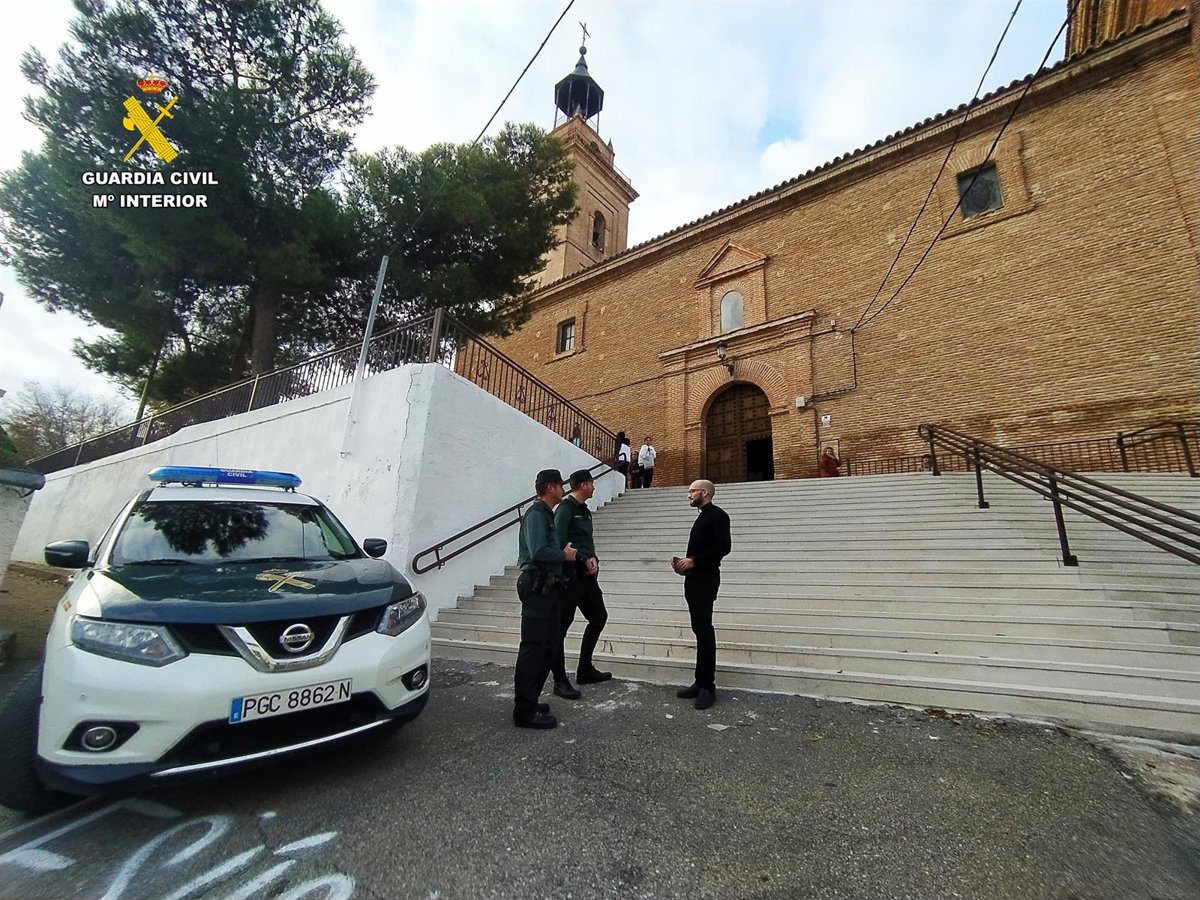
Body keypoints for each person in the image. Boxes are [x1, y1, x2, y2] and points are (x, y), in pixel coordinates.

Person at [512, 469, 577, 729]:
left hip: (548, 587)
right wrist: (565, 555)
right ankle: (523, 711)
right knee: (533, 648)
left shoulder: (546, 514)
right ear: (550, 488)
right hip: (536, 585)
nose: (564, 489)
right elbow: (538, 551)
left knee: (549, 647)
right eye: (561, 485)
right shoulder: (537, 514)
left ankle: (531, 700)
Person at [550, 469, 613, 696]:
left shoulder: (585, 511)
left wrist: (594, 558)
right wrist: (582, 558)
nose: (594, 487)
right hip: (570, 575)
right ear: (584, 485)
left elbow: (587, 541)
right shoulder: (566, 509)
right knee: (560, 628)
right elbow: (558, 541)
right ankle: (559, 679)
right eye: (592, 484)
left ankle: (585, 669)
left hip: (587, 577)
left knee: (599, 617)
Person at [671, 479, 731, 710]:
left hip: (706, 579)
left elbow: (724, 546)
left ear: (704, 492)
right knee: (699, 629)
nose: (688, 494)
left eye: (692, 491)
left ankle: (708, 686)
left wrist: (695, 560)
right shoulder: (703, 515)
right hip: (695, 579)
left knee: (704, 630)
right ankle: (699, 681)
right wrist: (684, 565)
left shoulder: (717, 515)